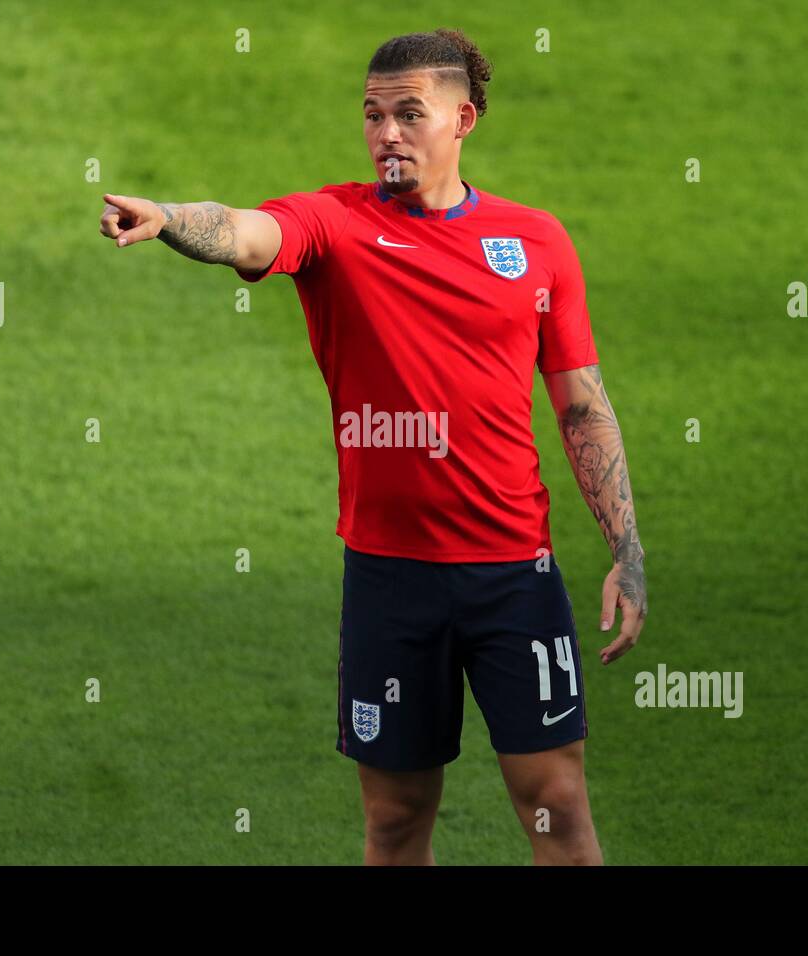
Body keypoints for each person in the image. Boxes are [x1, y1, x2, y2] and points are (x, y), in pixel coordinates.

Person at [99, 28, 647, 865]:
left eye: (408, 114)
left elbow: (581, 405)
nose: (387, 132)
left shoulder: (536, 242)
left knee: (558, 807)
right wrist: (170, 219)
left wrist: (626, 548)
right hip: (391, 579)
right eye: (372, 114)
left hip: (514, 575)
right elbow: (245, 233)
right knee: (393, 823)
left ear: (463, 119)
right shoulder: (336, 223)